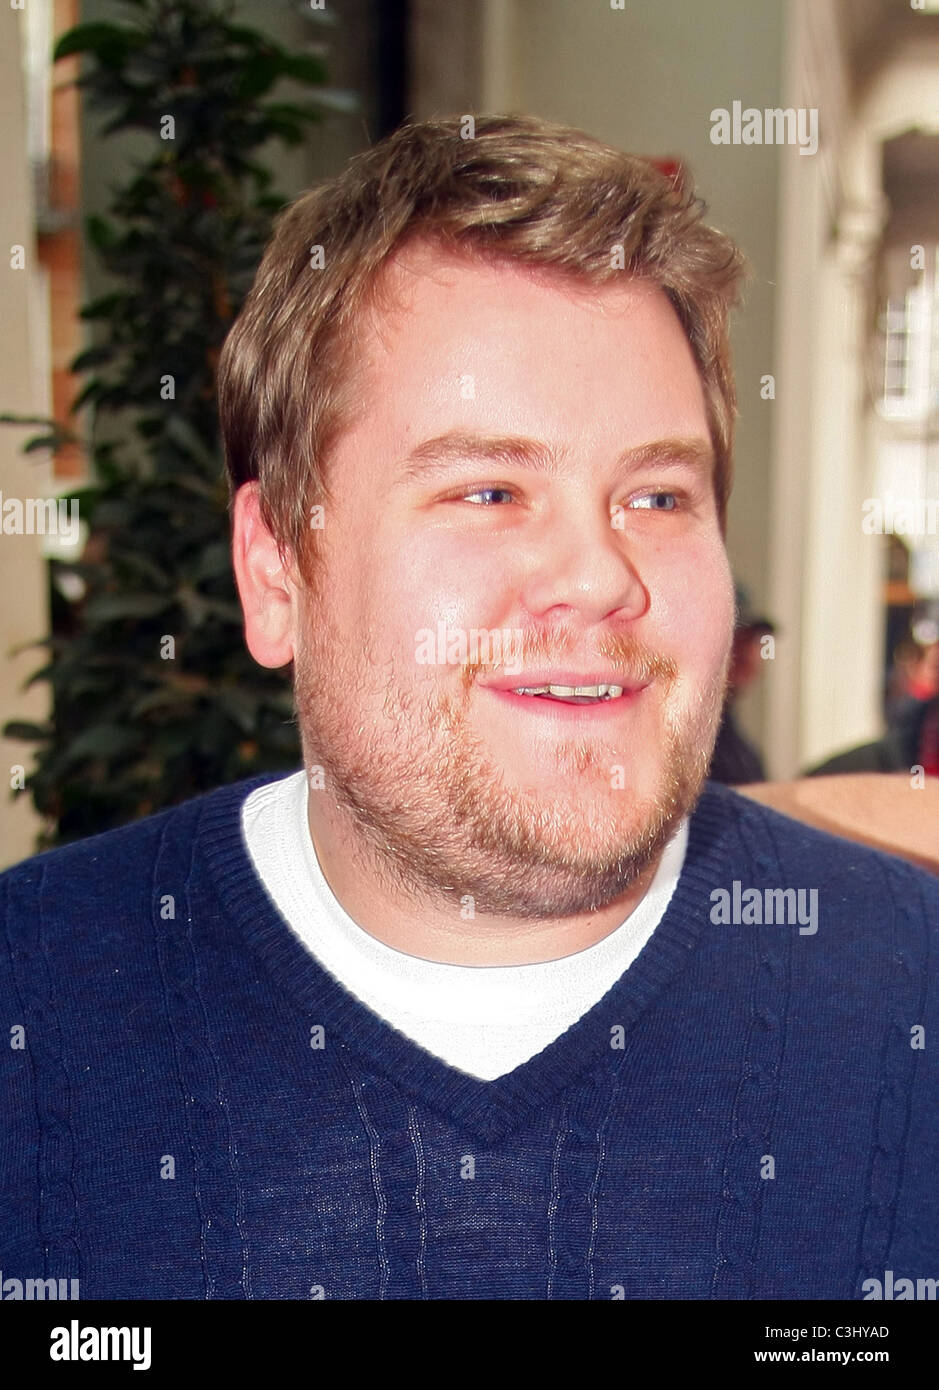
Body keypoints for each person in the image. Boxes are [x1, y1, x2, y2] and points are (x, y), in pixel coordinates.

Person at [1, 114, 937, 1302]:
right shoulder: (34, 1014)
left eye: (655, 494)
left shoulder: (910, 1011)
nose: (603, 575)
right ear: (276, 569)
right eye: (490, 488)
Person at [707, 583, 775, 784]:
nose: (747, 653)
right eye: (734, 638)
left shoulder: (741, 750)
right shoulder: (685, 742)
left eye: (752, 640)